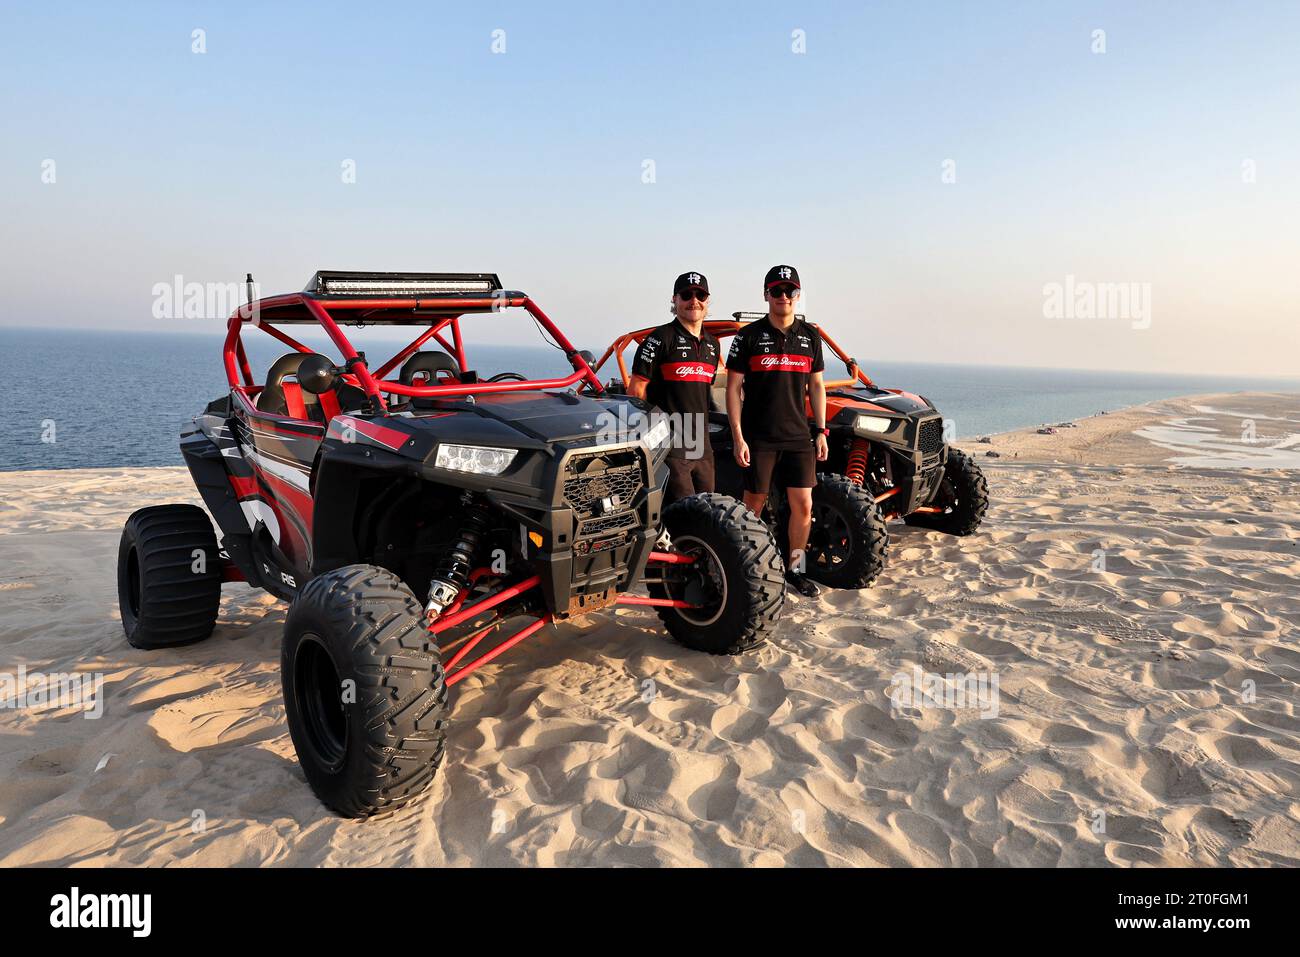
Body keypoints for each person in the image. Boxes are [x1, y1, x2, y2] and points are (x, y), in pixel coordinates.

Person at [724, 264, 828, 597]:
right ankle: (745, 568)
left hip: (799, 437)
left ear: (798, 295)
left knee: (804, 507)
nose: (784, 297)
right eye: (777, 291)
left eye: (790, 291)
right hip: (759, 437)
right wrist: (738, 435)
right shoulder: (748, 336)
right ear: (766, 294)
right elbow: (733, 388)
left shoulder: (810, 335)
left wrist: (821, 430)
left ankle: (795, 569)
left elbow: (817, 386)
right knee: (751, 505)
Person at [629, 271, 722, 502]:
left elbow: (701, 395)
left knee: (707, 514)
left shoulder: (712, 345)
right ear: (674, 299)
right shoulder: (659, 338)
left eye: (700, 294)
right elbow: (636, 392)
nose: (694, 301)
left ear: (707, 300)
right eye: (686, 295)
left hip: (703, 447)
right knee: (683, 514)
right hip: (670, 447)